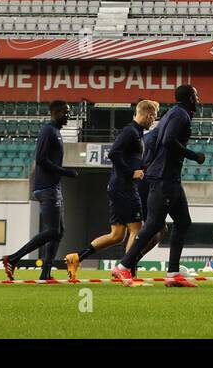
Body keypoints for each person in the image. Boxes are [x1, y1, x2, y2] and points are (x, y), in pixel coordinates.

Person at [114, 84, 206, 287]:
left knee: (183, 222)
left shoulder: (174, 114)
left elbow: (156, 140)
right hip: (163, 177)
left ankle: (173, 273)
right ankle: (123, 267)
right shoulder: (180, 115)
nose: (199, 99)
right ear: (190, 97)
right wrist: (194, 156)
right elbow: (168, 141)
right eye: (196, 95)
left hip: (169, 177)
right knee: (155, 224)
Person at [64, 100, 158, 279]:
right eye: (153, 117)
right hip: (124, 187)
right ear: (148, 115)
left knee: (116, 236)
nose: (153, 121)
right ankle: (127, 270)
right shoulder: (131, 131)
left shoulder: (135, 133)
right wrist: (131, 173)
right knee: (138, 230)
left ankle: (76, 258)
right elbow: (113, 153)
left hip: (118, 186)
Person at [1, 100, 78, 281]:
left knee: (59, 230)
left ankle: (45, 272)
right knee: (52, 231)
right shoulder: (48, 131)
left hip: (54, 186)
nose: (68, 115)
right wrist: (65, 171)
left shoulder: (56, 132)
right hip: (46, 187)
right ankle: (13, 258)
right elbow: (41, 159)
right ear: (56, 112)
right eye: (66, 112)